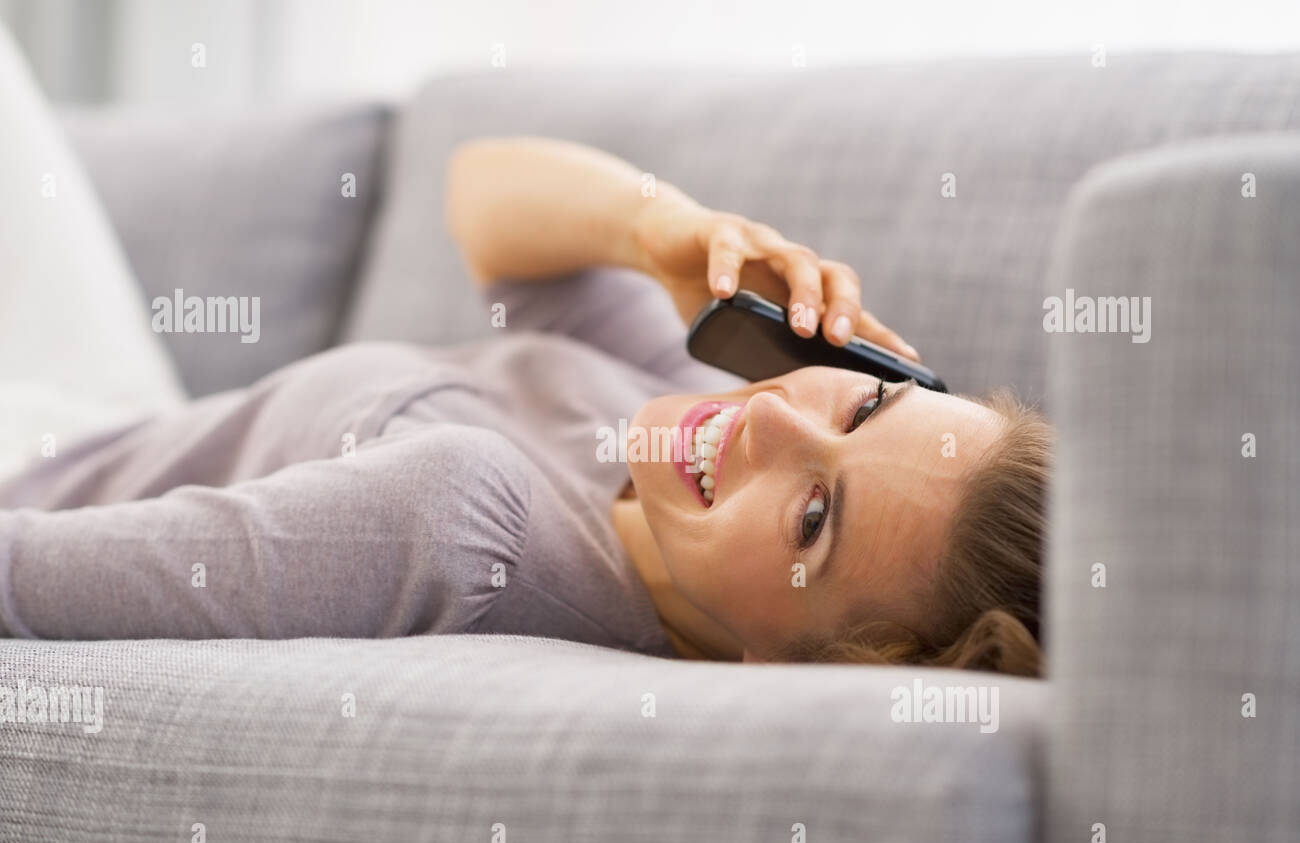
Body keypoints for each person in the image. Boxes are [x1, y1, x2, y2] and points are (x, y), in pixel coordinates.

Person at [0, 28, 1050, 674]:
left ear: (781, 667)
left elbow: (23, 578)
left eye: (815, 517)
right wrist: (659, 229)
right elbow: (483, 203)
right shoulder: (666, 416)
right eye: (864, 409)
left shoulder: (467, 520)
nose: (773, 414)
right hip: (94, 404)